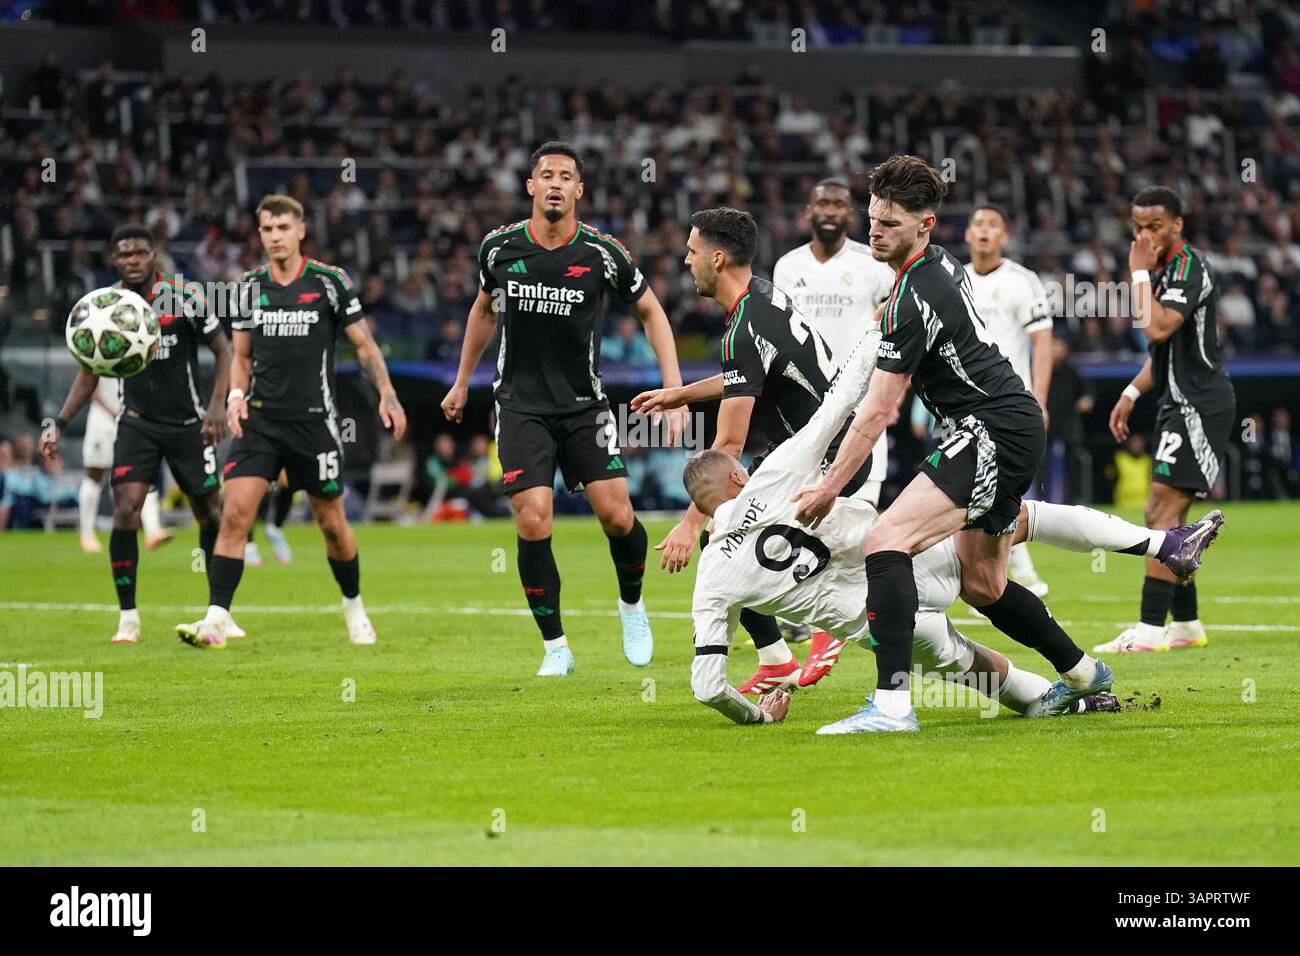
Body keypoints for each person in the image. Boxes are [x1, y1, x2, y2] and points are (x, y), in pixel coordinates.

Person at [684, 331, 1220, 728]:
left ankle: (1064, 693)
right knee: (1012, 527)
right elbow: (835, 407)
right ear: (738, 475)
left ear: (704, 511)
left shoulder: (712, 575)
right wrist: (878, 337)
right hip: (920, 564)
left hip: (886, 627)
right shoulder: (770, 477)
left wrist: (758, 717)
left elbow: (707, 687)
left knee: (973, 666)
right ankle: (1153, 552)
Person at [790, 155, 1113, 733]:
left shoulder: (915, 296)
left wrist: (828, 487)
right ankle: (1085, 675)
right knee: (982, 582)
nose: (874, 231)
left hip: (990, 427)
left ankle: (891, 708)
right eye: (873, 219)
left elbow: (881, 409)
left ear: (926, 224)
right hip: (1004, 424)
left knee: (886, 541)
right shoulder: (934, 268)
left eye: (889, 223)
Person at [440, 142, 688, 676]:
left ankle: (632, 606)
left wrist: (673, 387)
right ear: (530, 186)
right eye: (546, 175)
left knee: (619, 517)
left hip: (585, 407)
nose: (555, 183)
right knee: (533, 521)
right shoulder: (499, 248)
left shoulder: (601, 252)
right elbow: (483, 310)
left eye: (566, 176)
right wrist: (462, 382)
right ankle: (556, 646)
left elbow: (651, 311)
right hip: (520, 406)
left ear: (579, 190)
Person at [633, 207, 877, 695]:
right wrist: (681, 394)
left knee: (724, 542)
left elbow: (728, 446)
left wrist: (688, 521)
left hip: (823, 463)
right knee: (740, 547)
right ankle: (784, 656)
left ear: (717, 258)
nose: (686, 260)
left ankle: (830, 628)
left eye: (692, 251)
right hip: (824, 450)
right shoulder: (764, 297)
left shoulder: (742, 328)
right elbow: (750, 374)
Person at [175, 194, 407, 649]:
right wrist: (236, 397)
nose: (275, 236)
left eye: (283, 227)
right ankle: (217, 618)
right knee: (236, 513)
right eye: (267, 229)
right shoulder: (246, 287)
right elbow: (240, 356)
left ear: (301, 231)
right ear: (259, 234)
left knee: (331, 525)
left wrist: (387, 393)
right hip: (260, 422)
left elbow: (363, 345)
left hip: (314, 424)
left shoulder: (329, 282)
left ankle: (353, 605)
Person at [40, 224, 238, 645]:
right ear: (113, 259)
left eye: (140, 253)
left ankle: (219, 611)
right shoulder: (107, 307)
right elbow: (88, 374)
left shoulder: (184, 296)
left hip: (190, 424)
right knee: (127, 507)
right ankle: (128, 617)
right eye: (124, 254)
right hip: (136, 423)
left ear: (154, 255)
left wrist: (218, 405)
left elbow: (225, 351)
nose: (132, 261)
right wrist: (57, 423)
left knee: (211, 513)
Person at [1101, 186, 1235, 654]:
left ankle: (1149, 630)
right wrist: (1131, 391)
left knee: (1158, 513)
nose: (1144, 236)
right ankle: (1187, 624)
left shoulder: (1187, 267)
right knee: (1172, 519)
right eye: (1137, 227)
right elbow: (1161, 352)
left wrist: (1136, 271)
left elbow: (1155, 327)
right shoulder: (1162, 274)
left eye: (1153, 227)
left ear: (1177, 225)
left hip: (1198, 403)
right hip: (1177, 401)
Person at [772, 178, 894, 505]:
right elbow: (780, 336)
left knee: (860, 509)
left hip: (862, 402)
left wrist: (893, 392)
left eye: (838, 205)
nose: (829, 211)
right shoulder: (787, 267)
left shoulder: (874, 263)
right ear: (809, 211)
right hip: (806, 404)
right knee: (804, 509)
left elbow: (895, 330)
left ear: (851, 215)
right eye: (822, 204)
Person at [964, 204, 1054, 595]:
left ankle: (1009, 572)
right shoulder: (955, 280)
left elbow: (1043, 344)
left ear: (1004, 236)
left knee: (1002, 487)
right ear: (968, 234)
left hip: (1009, 402)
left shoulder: (1022, 280)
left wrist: (1041, 398)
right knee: (971, 490)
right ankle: (990, 574)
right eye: (978, 224)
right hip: (964, 403)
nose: (985, 231)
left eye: (993, 225)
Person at [76, 375, 171, 554]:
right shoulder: (99, 349)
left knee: (141, 473)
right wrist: (113, 412)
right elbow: (88, 386)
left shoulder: (140, 349)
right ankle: (87, 534)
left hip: (132, 420)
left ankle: (153, 530)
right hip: (104, 421)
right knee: (94, 475)